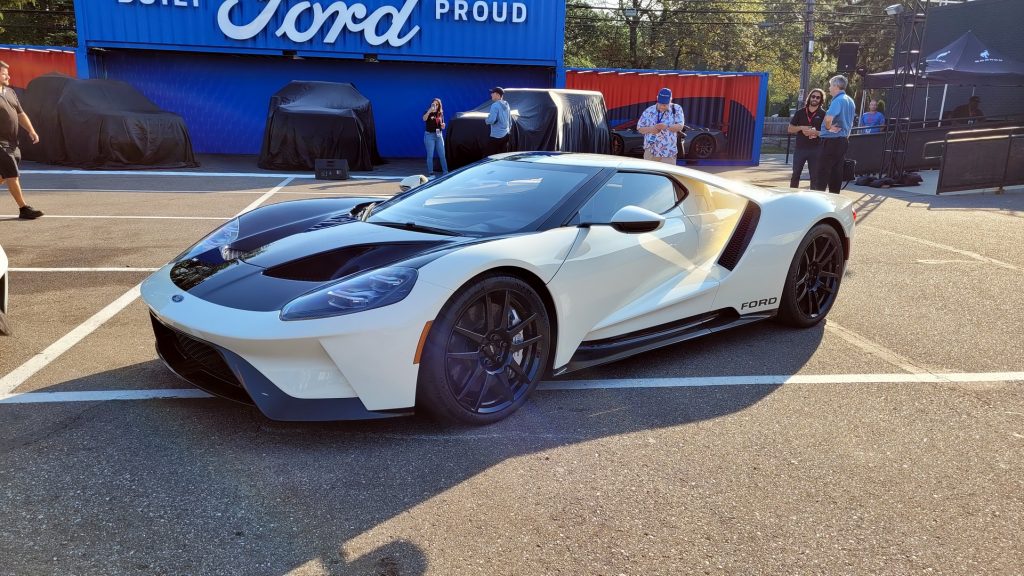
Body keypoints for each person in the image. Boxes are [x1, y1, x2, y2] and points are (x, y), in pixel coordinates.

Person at [0, 61, 43, 219]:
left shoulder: (10, 92)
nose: (8, 76)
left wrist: (31, 130)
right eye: (4, 74)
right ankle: (24, 209)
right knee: (12, 174)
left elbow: (20, 114)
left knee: (5, 175)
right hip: (0, 144)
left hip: (12, 142)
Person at [813, 75, 855, 194]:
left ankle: (818, 201)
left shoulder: (838, 100)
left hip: (831, 141)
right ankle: (835, 199)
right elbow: (851, 122)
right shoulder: (850, 100)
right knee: (836, 172)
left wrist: (828, 127)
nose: (829, 88)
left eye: (831, 85)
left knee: (822, 172)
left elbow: (828, 118)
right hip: (842, 140)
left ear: (836, 86)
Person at [787, 88, 826, 188]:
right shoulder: (800, 112)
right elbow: (790, 129)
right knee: (795, 175)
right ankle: (792, 197)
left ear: (821, 100)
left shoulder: (823, 114)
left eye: (818, 97)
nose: (815, 99)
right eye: (813, 96)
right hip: (800, 149)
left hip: (816, 149)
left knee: (815, 177)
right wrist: (801, 128)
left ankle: (813, 199)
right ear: (809, 98)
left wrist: (815, 133)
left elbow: (827, 133)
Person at [636, 87, 685, 164]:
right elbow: (639, 128)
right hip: (651, 151)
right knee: (649, 175)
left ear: (670, 100)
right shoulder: (649, 111)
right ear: (657, 98)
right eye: (661, 104)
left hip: (668, 151)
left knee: (668, 175)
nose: (662, 106)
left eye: (665, 104)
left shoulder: (677, 109)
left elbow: (680, 126)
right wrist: (651, 129)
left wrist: (666, 126)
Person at [422, 97, 448, 177]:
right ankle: (431, 173)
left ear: (439, 105)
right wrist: (430, 111)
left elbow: (442, 124)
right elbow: (424, 119)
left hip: (439, 135)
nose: (435, 105)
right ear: (431, 104)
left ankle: (445, 172)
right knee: (430, 155)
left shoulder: (440, 113)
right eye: (433, 104)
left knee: (442, 155)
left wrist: (443, 126)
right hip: (429, 135)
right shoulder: (427, 112)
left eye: (437, 104)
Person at [484, 86, 511, 156]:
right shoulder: (507, 104)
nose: (491, 94)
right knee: (503, 156)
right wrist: (508, 130)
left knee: (489, 157)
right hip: (506, 134)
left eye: (493, 93)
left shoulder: (495, 105)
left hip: (496, 136)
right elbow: (509, 119)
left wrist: (486, 120)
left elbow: (492, 120)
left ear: (498, 95)